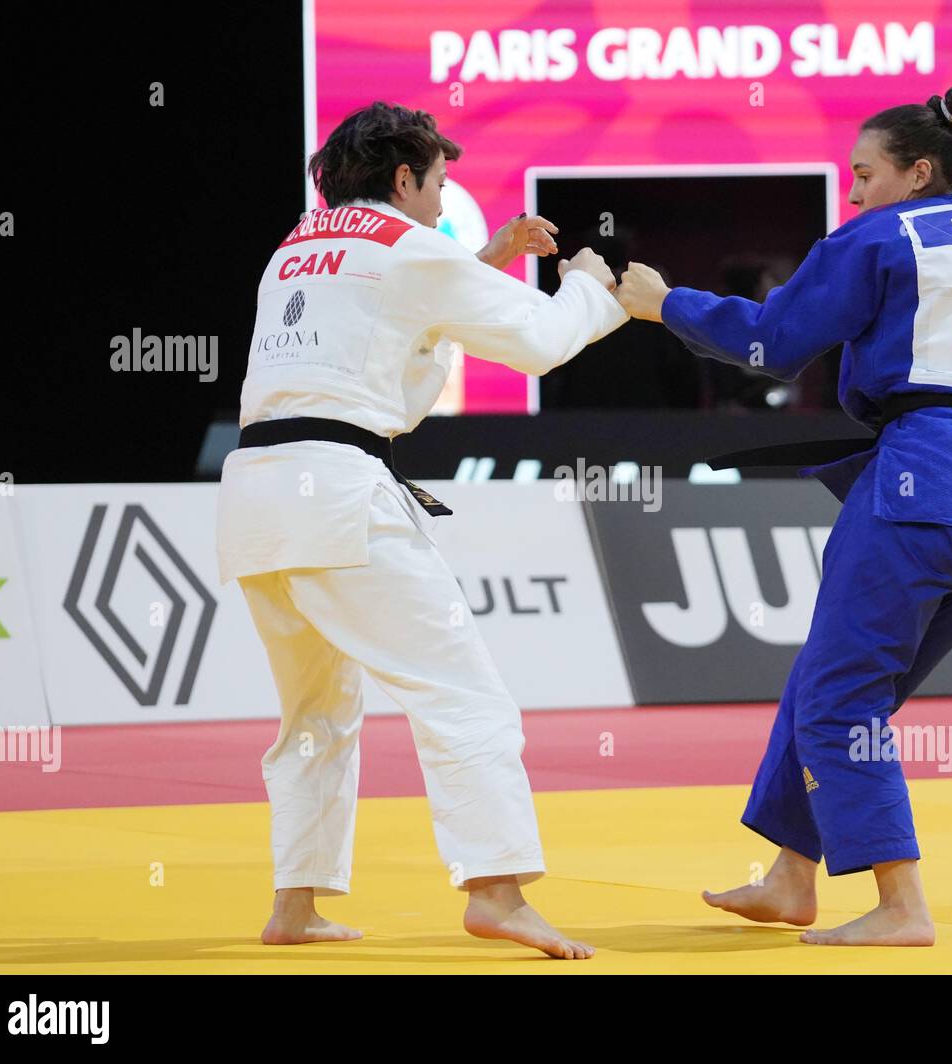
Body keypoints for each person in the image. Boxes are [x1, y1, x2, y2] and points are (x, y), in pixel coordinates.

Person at [615, 72, 952, 946]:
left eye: (866, 173)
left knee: (839, 699)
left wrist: (662, 303)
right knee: (839, 683)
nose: (854, 190)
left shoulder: (886, 236)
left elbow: (773, 341)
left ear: (920, 172)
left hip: (916, 485)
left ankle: (902, 905)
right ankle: (791, 876)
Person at [215, 102, 626, 959]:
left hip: (255, 496)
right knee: (462, 695)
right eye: (438, 182)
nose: (442, 201)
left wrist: (492, 257)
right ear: (404, 177)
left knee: (313, 713)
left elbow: (390, 320)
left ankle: (296, 906)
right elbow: (542, 342)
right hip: (335, 492)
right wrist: (592, 282)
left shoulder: (296, 248)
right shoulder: (409, 246)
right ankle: (498, 892)